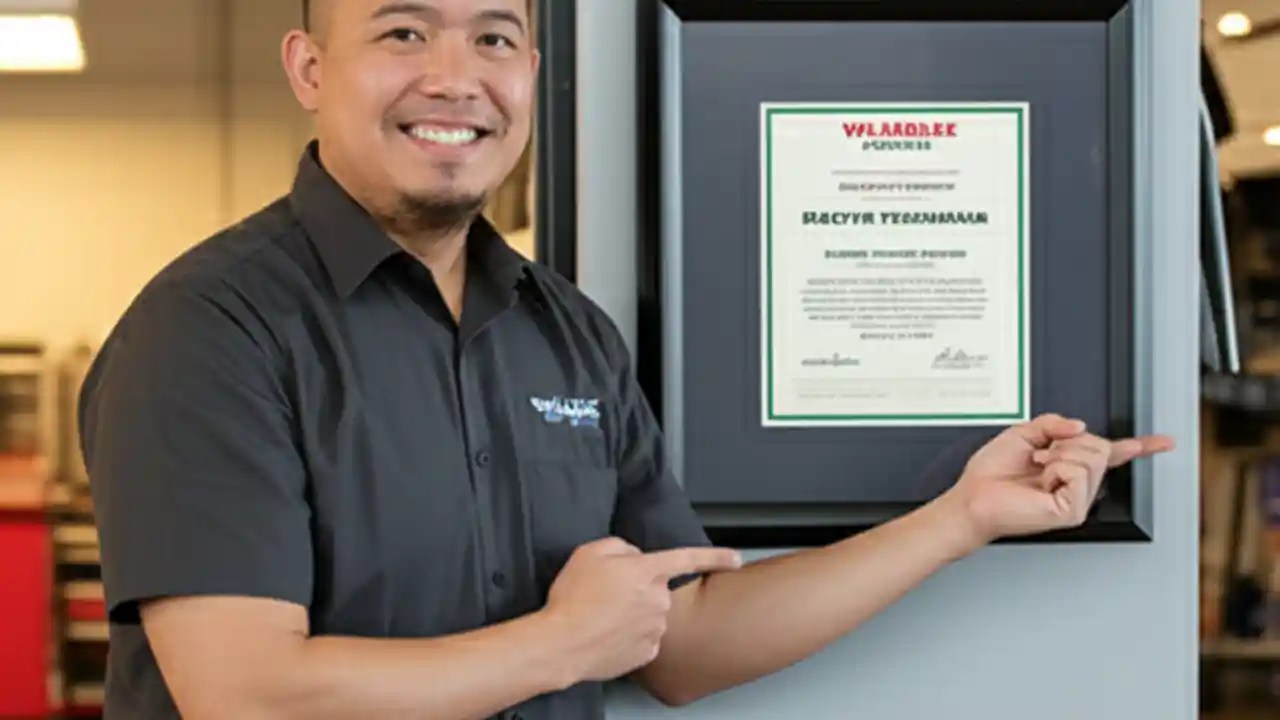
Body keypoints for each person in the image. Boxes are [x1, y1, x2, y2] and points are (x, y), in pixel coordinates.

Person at [77, 1, 1176, 718]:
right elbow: (247, 694)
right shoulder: (209, 329)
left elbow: (679, 641)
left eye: (493, 39)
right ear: (311, 67)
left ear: (530, 70)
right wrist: (561, 645)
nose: (455, 78)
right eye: (403, 33)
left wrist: (960, 518)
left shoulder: (565, 331)